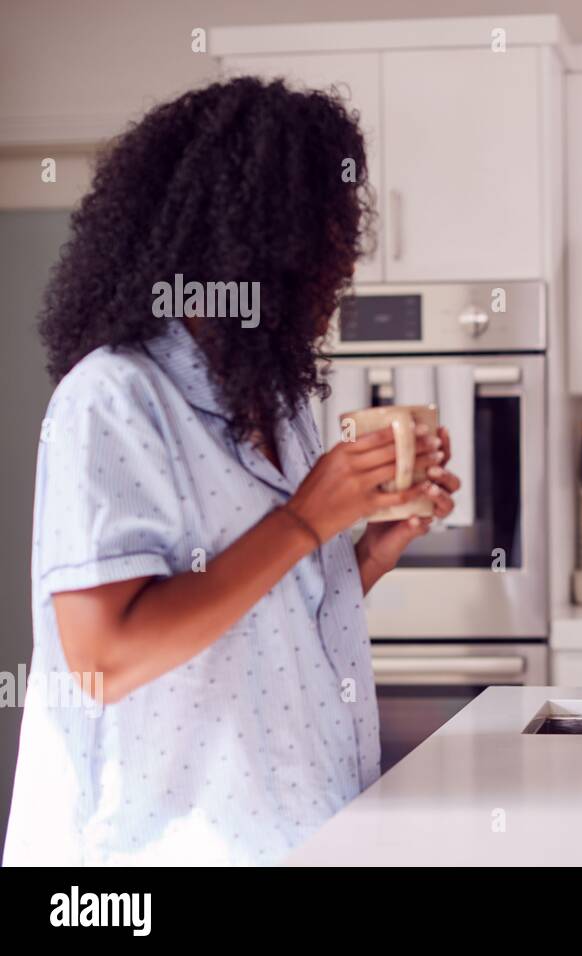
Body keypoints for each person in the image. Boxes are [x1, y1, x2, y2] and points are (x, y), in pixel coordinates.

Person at [4, 77, 459, 865]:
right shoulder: (112, 398)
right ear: (248, 247)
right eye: (321, 245)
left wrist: (368, 552)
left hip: (296, 832)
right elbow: (104, 659)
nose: (338, 271)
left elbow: (261, 618)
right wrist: (306, 520)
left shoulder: (273, 402)